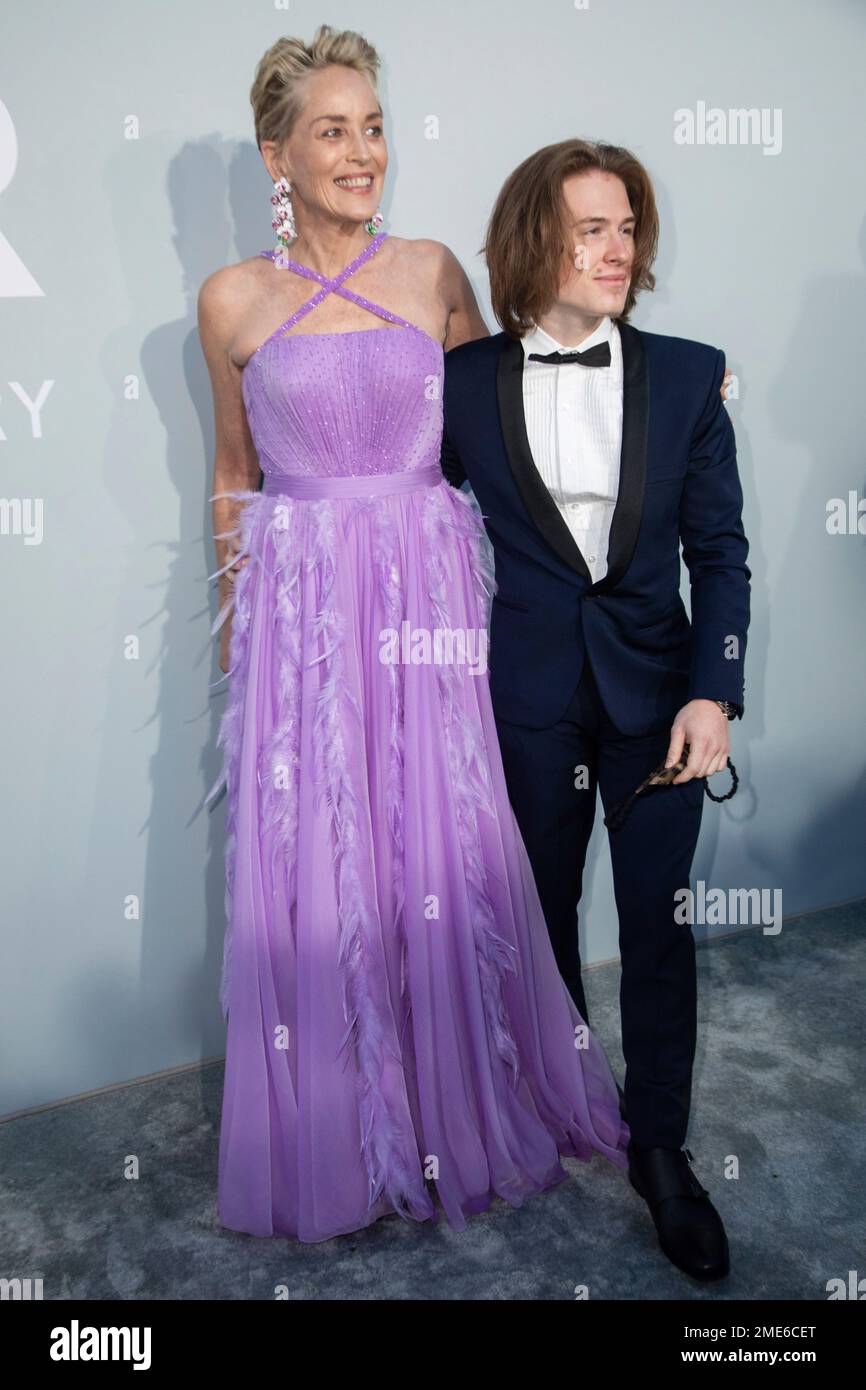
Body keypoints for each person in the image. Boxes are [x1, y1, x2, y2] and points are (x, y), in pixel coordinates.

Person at [198, 27, 629, 1246]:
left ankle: (458, 1104)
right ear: (276, 153)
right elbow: (232, 474)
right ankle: (345, 1128)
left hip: (431, 611)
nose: (360, 151)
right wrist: (242, 651)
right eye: (330, 130)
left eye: (373, 126)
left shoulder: (434, 271)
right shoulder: (230, 300)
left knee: (435, 854)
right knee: (326, 870)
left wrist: (641, 378)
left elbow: (505, 426)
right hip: (303, 629)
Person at [440, 138, 750, 1280]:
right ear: (534, 239)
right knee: (538, 920)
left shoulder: (688, 372)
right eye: (590, 229)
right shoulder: (463, 382)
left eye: (626, 227)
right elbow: (403, 521)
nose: (616, 249)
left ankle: (658, 1152)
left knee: (659, 930)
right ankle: (556, 1107)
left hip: (660, 704)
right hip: (521, 700)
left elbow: (721, 555)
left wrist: (713, 691)